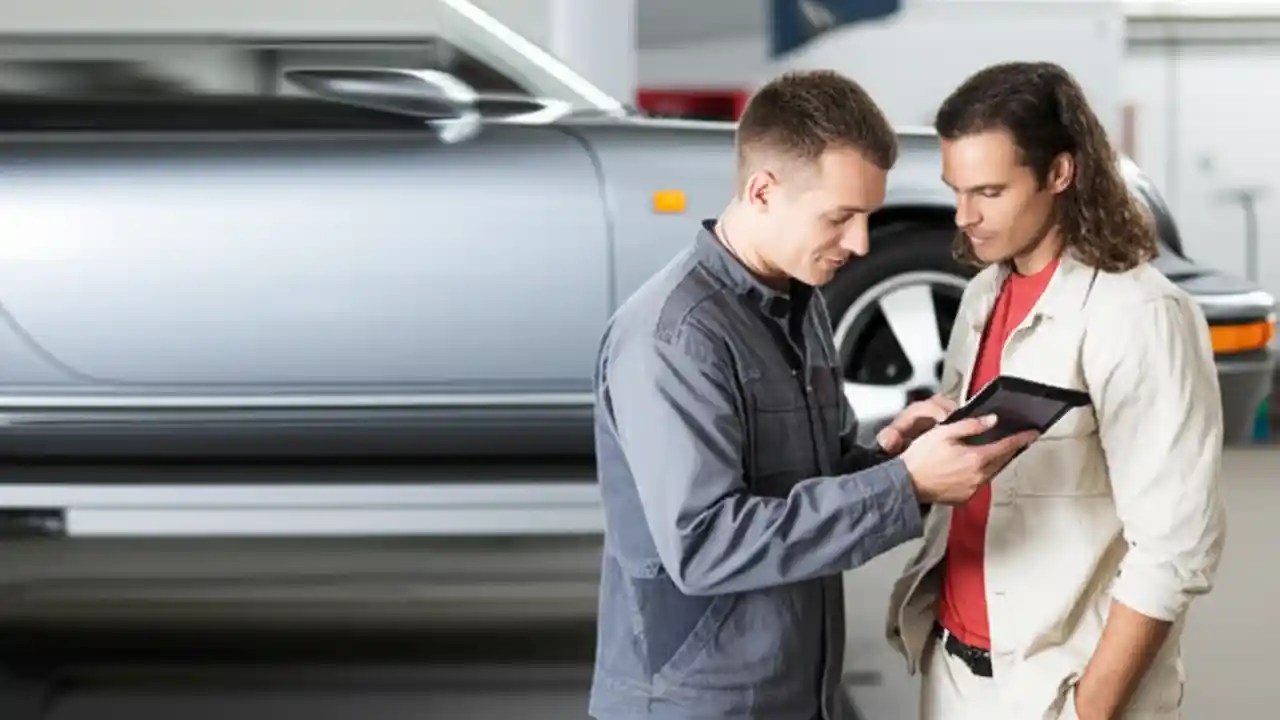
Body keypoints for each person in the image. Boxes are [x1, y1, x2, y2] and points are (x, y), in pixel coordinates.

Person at [587, 69, 1038, 720]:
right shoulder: (673, 339)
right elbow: (706, 544)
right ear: (763, 190)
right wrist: (905, 486)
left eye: (867, 217)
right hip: (695, 704)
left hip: (797, 691)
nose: (859, 244)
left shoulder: (799, 304)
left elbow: (801, 483)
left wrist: (888, 456)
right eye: (840, 218)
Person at [885, 61, 1227, 719]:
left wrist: (1087, 711)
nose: (963, 216)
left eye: (987, 191)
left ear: (1059, 173)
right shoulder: (984, 294)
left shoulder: (1140, 315)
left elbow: (1174, 550)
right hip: (953, 671)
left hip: (1057, 692)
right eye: (955, 190)